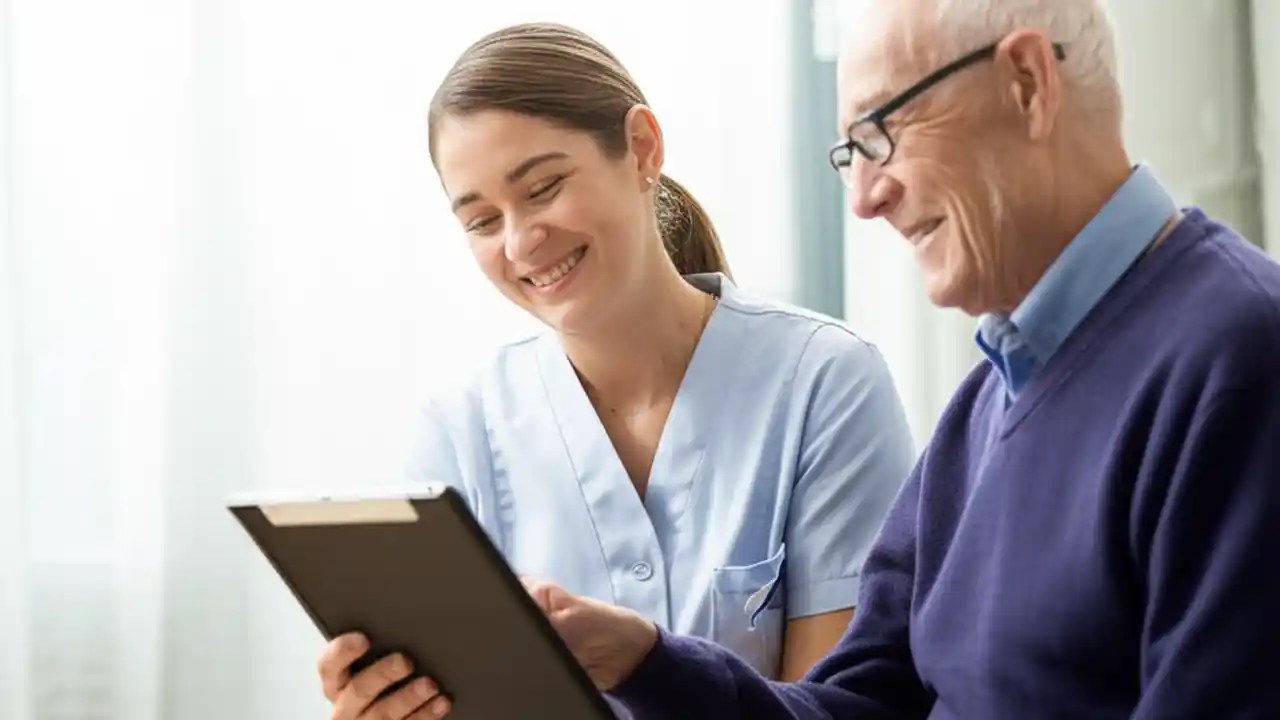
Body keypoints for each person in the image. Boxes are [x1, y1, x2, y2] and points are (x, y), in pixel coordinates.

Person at [518, 1, 1280, 718]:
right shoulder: (989, 399)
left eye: (882, 133)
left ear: (1026, 85)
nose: (864, 199)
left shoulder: (1240, 358)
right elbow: (866, 706)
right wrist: (646, 663)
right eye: (849, 155)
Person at [314, 22, 916, 720]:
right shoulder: (459, 429)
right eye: (481, 222)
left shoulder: (825, 383)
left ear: (641, 148)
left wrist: (648, 663)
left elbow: (836, 710)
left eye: (543, 187)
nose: (521, 242)